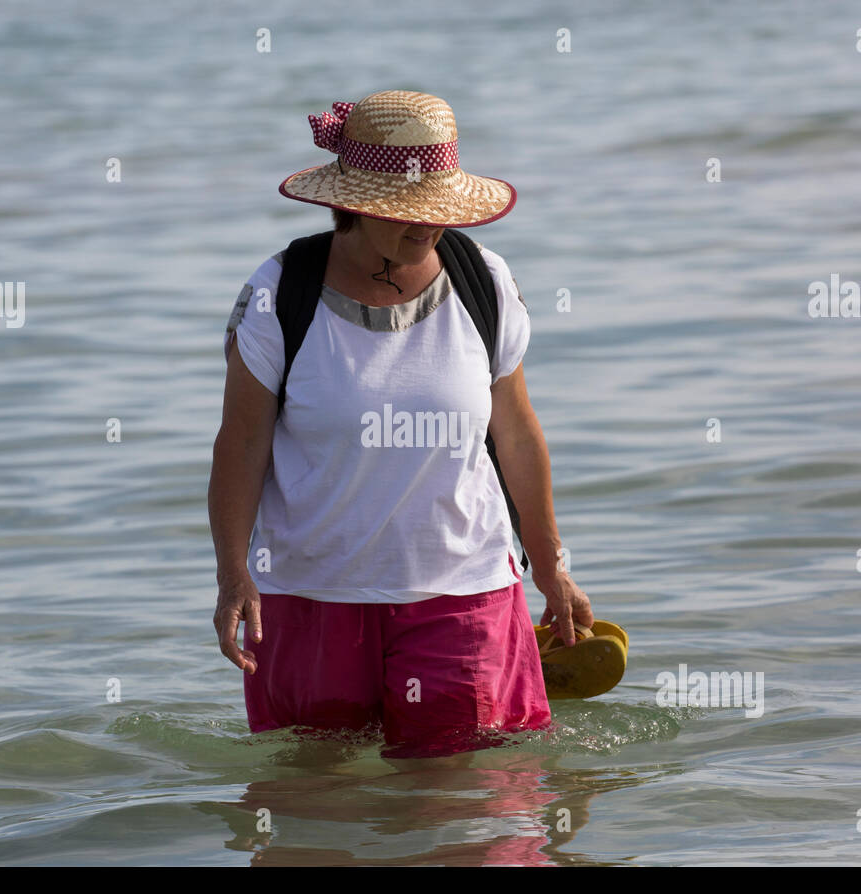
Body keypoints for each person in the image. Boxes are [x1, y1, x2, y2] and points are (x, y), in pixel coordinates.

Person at [209, 90, 592, 757]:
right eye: (405, 214)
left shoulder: (484, 282)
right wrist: (231, 574)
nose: (427, 228)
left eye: (437, 212)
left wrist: (552, 565)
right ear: (351, 204)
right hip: (309, 598)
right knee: (312, 821)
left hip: (463, 594)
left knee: (474, 821)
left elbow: (518, 435)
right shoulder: (280, 295)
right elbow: (241, 444)